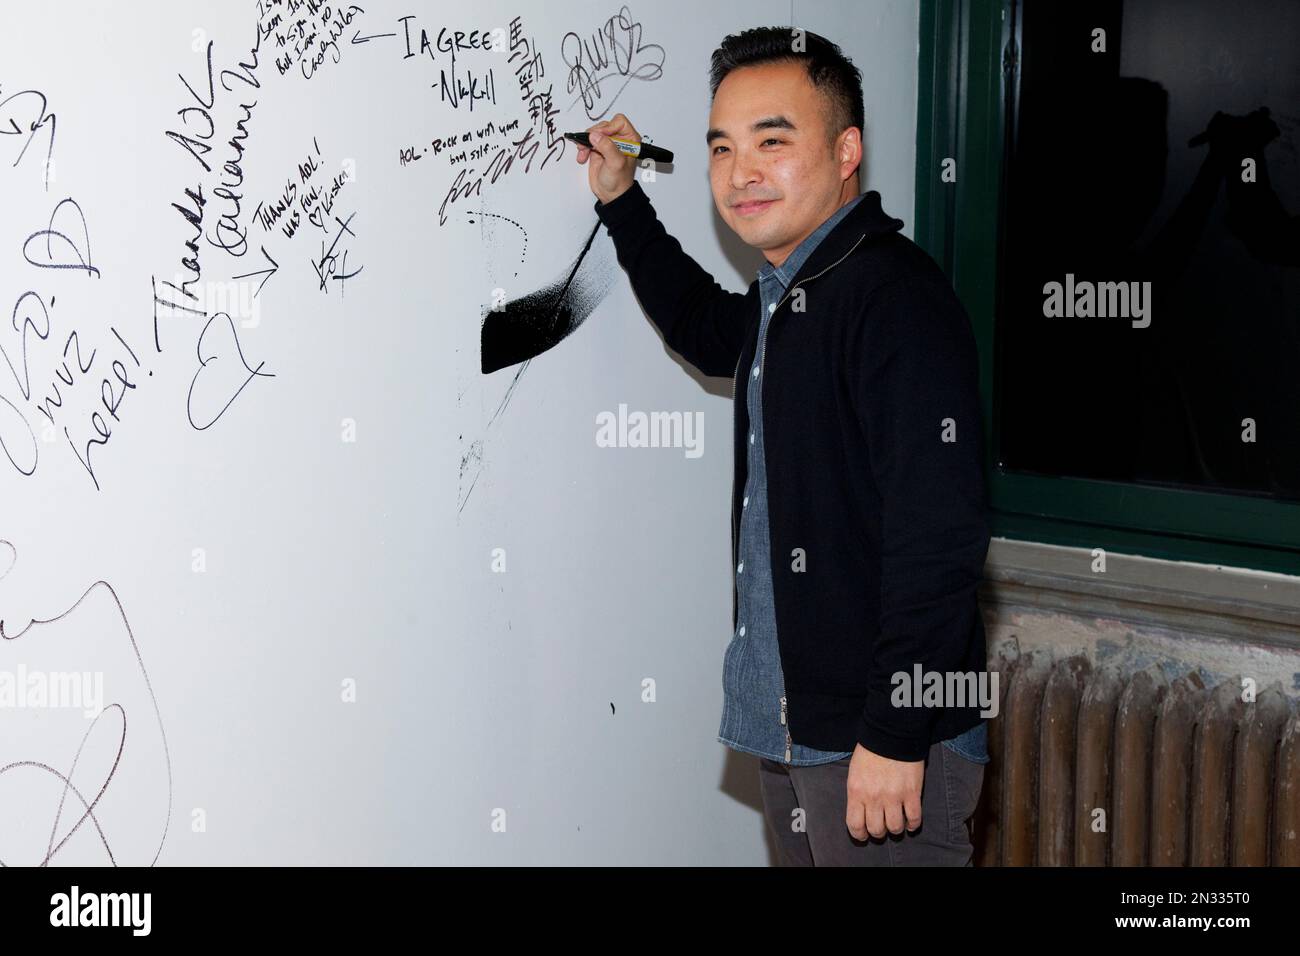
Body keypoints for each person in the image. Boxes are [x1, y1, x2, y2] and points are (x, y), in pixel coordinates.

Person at [576, 26, 992, 866]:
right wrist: (620, 200)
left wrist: (895, 737)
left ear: (846, 151)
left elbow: (941, 538)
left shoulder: (892, 297)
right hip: (792, 725)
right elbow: (701, 323)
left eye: (774, 140)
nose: (741, 171)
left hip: (878, 747)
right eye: (722, 147)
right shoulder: (789, 297)